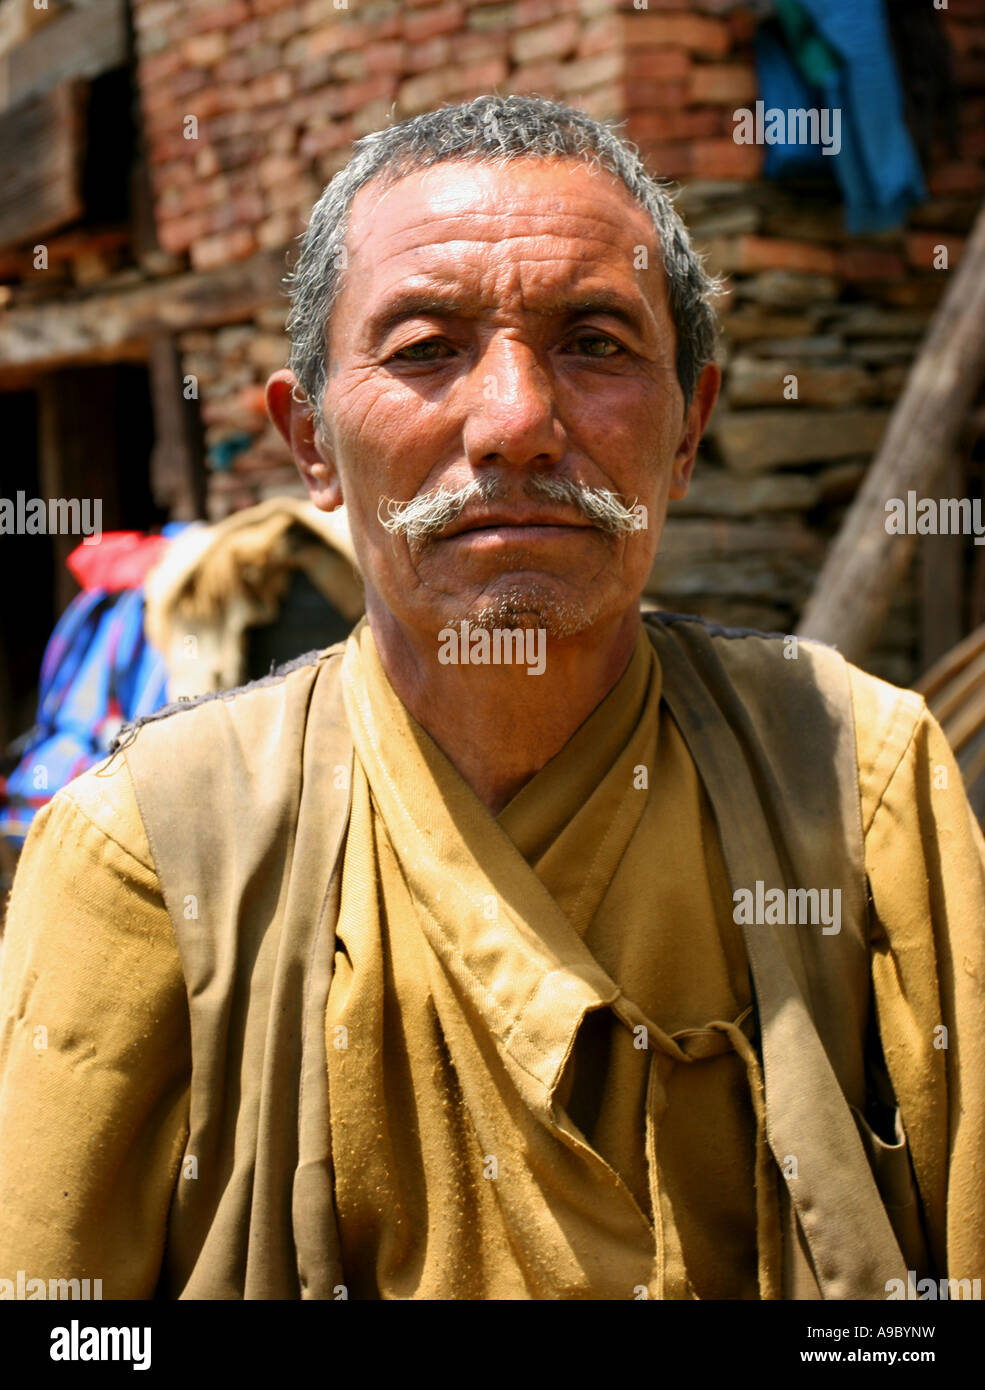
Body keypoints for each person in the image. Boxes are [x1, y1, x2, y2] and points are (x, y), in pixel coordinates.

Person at [1, 94, 983, 1302]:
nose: (517, 421)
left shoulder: (858, 780)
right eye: (423, 348)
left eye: (596, 344)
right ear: (309, 441)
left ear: (688, 430)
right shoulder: (151, 850)